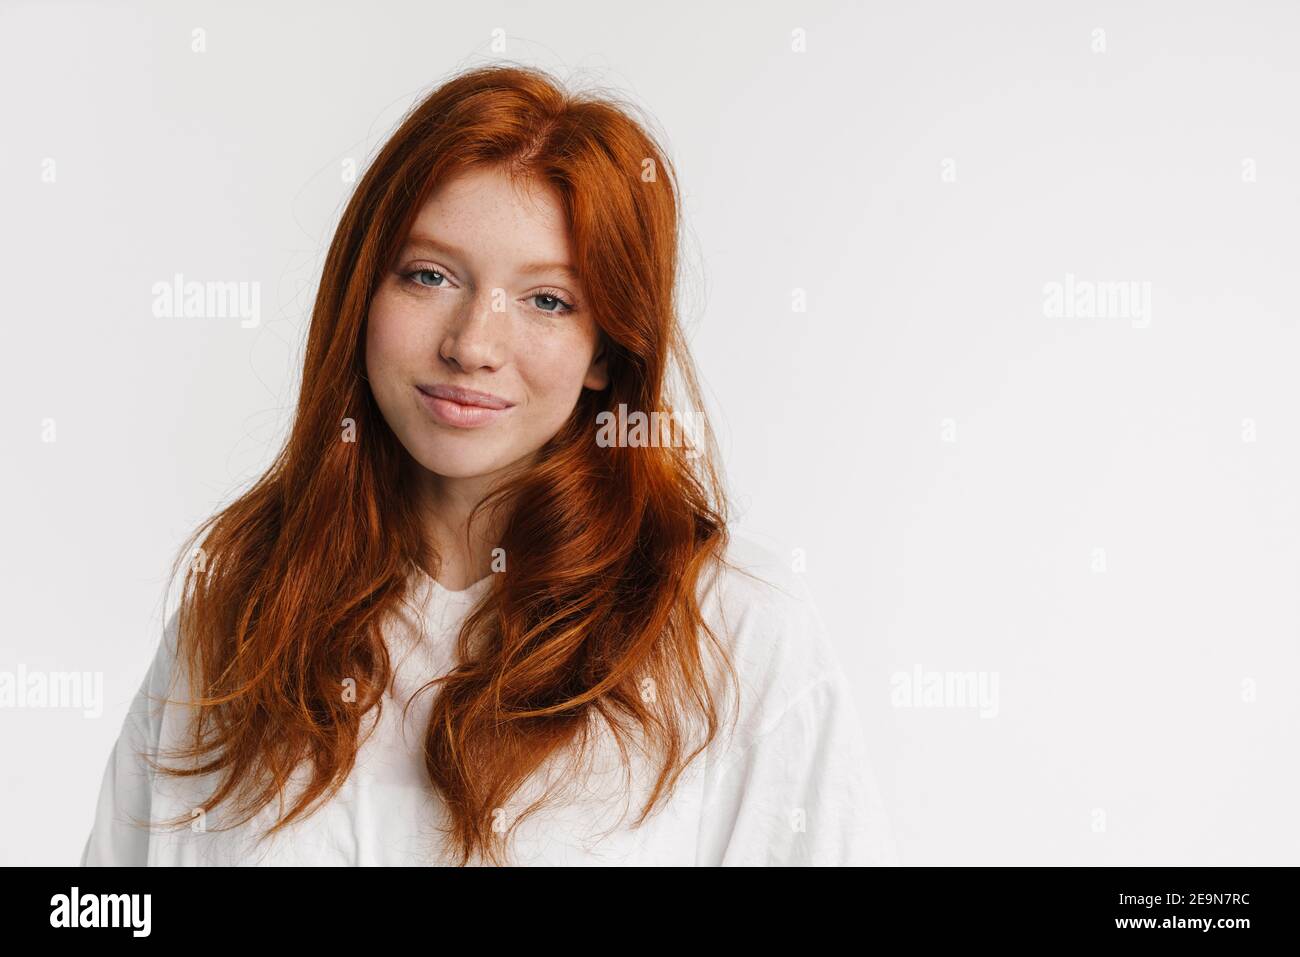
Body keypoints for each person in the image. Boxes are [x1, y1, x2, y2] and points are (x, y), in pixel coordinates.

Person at [79, 64, 896, 867]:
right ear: (364, 293)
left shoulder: (739, 637)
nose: (471, 344)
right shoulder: (238, 615)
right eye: (429, 276)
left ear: (606, 350)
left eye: (547, 300)